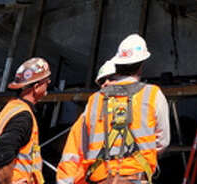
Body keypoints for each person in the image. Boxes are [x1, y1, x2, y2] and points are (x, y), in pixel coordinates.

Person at [56, 34, 170, 184]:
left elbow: (80, 147)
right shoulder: (153, 94)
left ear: (117, 65)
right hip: (136, 177)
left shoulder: (95, 100)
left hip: (102, 179)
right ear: (141, 65)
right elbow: (163, 142)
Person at [0, 57, 50, 184]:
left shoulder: (11, 109)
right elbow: (2, 154)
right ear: (36, 87)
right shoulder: (23, 116)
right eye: (46, 81)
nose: (48, 84)